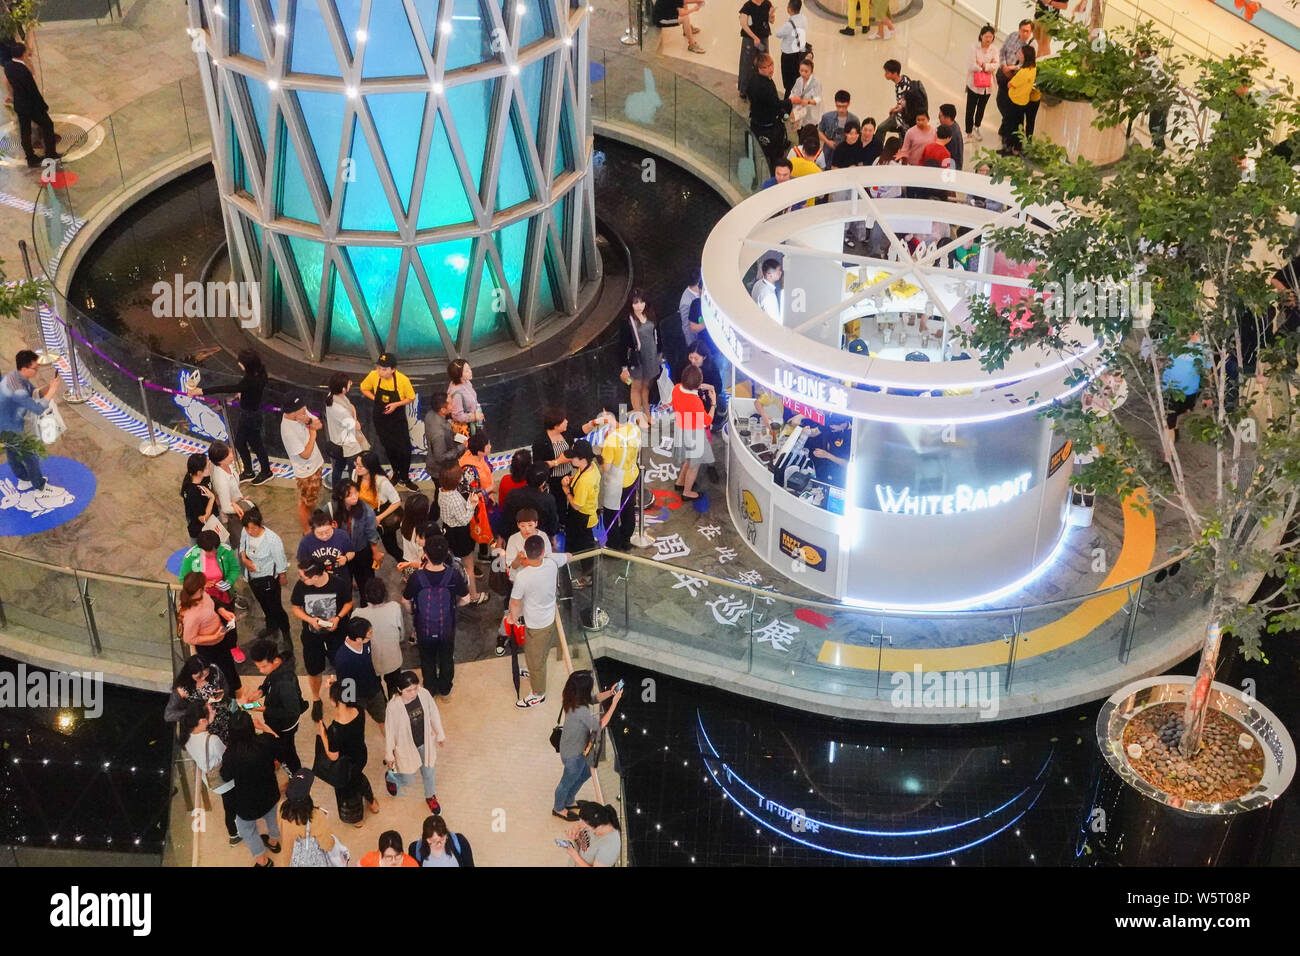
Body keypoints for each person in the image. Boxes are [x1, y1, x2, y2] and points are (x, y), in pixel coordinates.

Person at [188, 349, 272, 483]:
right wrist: (244, 393)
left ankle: (265, 472)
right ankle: (250, 471)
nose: (239, 363)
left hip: (250, 416)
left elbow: (226, 388)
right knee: (243, 442)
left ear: (247, 365)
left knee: (255, 444)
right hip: (249, 414)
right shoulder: (259, 374)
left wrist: (201, 391)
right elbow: (249, 390)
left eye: (241, 362)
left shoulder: (250, 381)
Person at [403, 535, 471, 695]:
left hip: (423, 627)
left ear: (425, 554)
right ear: (446, 553)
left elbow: (405, 601)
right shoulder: (453, 574)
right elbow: (466, 599)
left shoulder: (416, 577)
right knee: (447, 657)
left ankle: (430, 688)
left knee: (427, 659)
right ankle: (445, 688)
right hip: (446, 627)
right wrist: (454, 607)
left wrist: (413, 612)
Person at [509, 534, 571, 708]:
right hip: (548, 618)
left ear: (525, 553)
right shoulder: (551, 563)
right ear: (543, 551)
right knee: (534, 651)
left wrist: (513, 619)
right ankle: (533, 672)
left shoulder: (523, 576)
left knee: (536, 659)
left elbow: (515, 602)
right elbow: (569, 556)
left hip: (536, 624)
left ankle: (538, 694)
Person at [552, 670, 623, 820]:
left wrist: (610, 693)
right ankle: (558, 808)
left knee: (584, 774)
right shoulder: (581, 710)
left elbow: (594, 699)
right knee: (566, 782)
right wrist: (614, 703)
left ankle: (570, 801)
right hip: (573, 754)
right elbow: (600, 724)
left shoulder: (572, 698)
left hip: (574, 748)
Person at [289, 559, 354, 721]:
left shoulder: (339, 584)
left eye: (305, 577)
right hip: (312, 636)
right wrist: (310, 620)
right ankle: (316, 698)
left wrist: (338, 618)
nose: (301, 579)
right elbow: (295, 607)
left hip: (337, 634)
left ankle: (348, 697)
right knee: (313, 669)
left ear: (316, 577)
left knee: (344, 666)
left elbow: (349, 602)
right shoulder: (301, 586)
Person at [219, 710, 282, 866]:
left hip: (247, 801)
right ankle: (274, 842)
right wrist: (264, 726)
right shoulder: (265, 742)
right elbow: (277, 739)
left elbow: (225, 776)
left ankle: (263, 861)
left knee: (247, 829)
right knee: (272, 817)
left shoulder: (230, 755)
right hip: (270, 792)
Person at [318, 678, 380, 825]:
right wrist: (334, 687)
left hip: (346, 767)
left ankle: (357, 819)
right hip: (360, 756)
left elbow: (333, 756)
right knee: (359, 778)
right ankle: (372, 803)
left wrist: (323, 736)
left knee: (348, 792)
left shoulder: (335, 729)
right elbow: (345, 696)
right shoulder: (359, 710)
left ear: (333, 699)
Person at [383, 670, 447, 813]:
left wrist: (440, 733)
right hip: (405, 747)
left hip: (425, 742)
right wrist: (389, 754)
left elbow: (433, 713)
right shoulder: (393, 707)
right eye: (408, 690)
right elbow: (390, 731)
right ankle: (391, 777)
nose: (413, 693)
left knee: (429, 772)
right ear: (400, 690)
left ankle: (430, 796)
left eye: (415, 688)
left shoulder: (423, 694)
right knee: (408, 780)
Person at [179, 699, 240, 846]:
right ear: (201, 720)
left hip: (210, 780)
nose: (214, 710)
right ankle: (234, 833)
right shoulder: (211, 739)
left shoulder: (187, 736)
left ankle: (234, 831)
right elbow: (226, 755)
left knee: (228, 803)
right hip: (224, 780)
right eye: (210, 710)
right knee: (231, 806)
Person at [0, 350, 60, 492]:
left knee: (12, 450)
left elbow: (34, 393)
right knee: (29, 455)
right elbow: (38, 408)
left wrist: (49, 387)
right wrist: (53, 390)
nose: (37, 371)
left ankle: (23, 478)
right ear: (25, 368)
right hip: (9, 426)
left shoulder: (16, 376)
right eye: (35, 368)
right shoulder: (17, 389)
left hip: (7, 422)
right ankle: (40, 486)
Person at [177, 569, 240, 699]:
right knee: (217, 672)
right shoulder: (192, 615)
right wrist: (214, 637)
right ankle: (226, 695)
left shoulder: (202, 595)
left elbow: (212, 601)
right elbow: (189, 638)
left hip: (220, 641)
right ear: (199, 589)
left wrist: (222, 610)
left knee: (228, 666)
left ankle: (233, 689)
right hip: (210, 648)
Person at [245, 637, 306, 772]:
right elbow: (269, 680)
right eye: (258, 667)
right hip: (276, 718)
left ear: (276, 660)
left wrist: (265, 709)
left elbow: (292, 711)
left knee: (288, 751)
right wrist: (261, 691)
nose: (261, 670)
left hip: (285, 725)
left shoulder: (286, 683)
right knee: (278, 746)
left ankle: (295, 775)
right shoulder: (276, 669)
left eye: (264, 666)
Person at [359, 353, 418, 491]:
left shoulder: (402, 380)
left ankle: (405, 477)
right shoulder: (374, 375)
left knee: (404, 450)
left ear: (393, 370)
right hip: (381, 419)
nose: (380, 371)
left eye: (384, 369)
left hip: (397, 419)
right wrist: (375, 399)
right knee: (389, 448)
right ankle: (396, 474)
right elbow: (364, 388)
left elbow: (411, 397)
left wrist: (396, 404)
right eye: (379, 368)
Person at [436, 463, 487, 604]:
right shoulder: (454, 500)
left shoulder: (441, 491)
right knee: (468, 566)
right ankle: (474, 596)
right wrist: (472, 504)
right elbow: (464, 519)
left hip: (448, 530)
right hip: (460, 534)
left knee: (457, 561)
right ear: (457, 480)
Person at [239, 506, 290, 645]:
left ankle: (285, 631)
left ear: (260, 524)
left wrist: (282, 576)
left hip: (268, 579)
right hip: (253, 578)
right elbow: (242, 545)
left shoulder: (272, 539)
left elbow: (280, 560)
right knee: (264, 604)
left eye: (253, 528)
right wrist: (244, 559)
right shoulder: (245, 531)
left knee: (276, 607)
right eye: (248, 528)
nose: (250, 531)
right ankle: (271, 626)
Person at [2, 43, 59, 168]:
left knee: (25, 131)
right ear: (23, 54)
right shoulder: (23, 70)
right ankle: (51, 153)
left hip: (20, 104)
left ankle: (30, 158)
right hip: (31, 106)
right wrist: (43, 106)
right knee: (48, 125)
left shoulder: (8, 66)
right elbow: (33, 91)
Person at [329, 479, 382, 606]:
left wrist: (376, 554)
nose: (355, 497)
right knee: (343, 584)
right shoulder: (331, 508)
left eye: (356, 492)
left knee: (365, 583)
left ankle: (365, 607)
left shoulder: (366, 510)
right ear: (341, 497)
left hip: (361, 552)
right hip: (341, 554)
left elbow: (371, 534)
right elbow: (320, 525)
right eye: (350, 495)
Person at [352, 578, 405, 699]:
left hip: (370, 663)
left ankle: (382, 705)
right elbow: (401, 635)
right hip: (393, 660)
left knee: (375, 688)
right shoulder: (395, 607)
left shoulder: (357, 614)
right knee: (394, 685)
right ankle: (394, 703)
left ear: (365, 595)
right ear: (385, 594)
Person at [599, 411, 645, 550]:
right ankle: (626, 539)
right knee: (628, 509)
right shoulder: (634, 428)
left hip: (616, 481)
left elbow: (606, 467)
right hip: (632, 474)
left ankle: (614, 544)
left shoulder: (611, 439)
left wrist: (600, 455)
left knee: (611, 514)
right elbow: (638, 450)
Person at [280, 395, 325, 534]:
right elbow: (304, 454)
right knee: (305, 504)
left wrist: (309, 421)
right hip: (306, 472)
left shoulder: (302, 414)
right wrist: (312, 435)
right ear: (292, 412)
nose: (305, 410)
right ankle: (307, 531)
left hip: (315, 465)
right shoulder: (287, 430)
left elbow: (319, 424)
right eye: (301, 409)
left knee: (311, 500)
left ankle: (311, 518)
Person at [278, 770, 343, 866]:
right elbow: (327, 845)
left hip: (289, 859)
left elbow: (282, 829)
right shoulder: (316, 816)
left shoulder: (281, 808)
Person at [333, 615, 389, 724]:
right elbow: (345, 684)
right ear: (359, 639)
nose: (371, 636)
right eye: (370, 634)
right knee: (357, 724)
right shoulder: (343, 658)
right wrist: (349, 705)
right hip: (358, 697)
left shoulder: (365, 642)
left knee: (383, 720)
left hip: (374, 690)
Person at [164, 657, 233, 745]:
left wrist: (223, 693)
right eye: (199, 677)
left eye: (206, 674)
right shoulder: (182, 690)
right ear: (190, 674)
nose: (203, 678)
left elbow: (225, 685)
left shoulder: (214, 670)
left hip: (223, 714)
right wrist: (195, 711)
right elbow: (169, 715)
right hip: (205, 724)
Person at [179, 527, 243, 620]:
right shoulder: (190, 557)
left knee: (227, 620)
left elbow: (234, 569)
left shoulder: (226, 551)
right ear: (201, 549)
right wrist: (201, 585)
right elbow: (183, 579)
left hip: (224, 596)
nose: (213, 553)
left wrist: (228, 582)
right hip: (202, 599)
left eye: (215, 550)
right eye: (209, 551)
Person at [671, 365, 715, 501]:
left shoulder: (677, 388)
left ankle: (680, 482)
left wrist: (702, 386)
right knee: (694, 465)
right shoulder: (695, 401)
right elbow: (707, 421)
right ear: (697, 383)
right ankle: (687, 492)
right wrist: (713, 403)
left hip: (681, 429)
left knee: (689, 459)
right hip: (694, 434)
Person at [353, 449, 403, 560]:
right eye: (356, 464)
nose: (357, 468)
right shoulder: (356, 475)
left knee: (391, 548)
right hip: (364, 514)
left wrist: (379, 517)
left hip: (381, 515)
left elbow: (396, 501)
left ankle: (406, 566)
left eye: (360, 466)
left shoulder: (382, 482)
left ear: (370, 466)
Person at [619, 290, 663, 415]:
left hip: (651, 356)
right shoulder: (627, 322)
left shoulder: (650, 315)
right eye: (635, 303)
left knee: (646, 386)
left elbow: (657, 334)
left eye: (641, 302)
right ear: (631, 304)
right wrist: (624, 367)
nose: (639, 306)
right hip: (637, 359)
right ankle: (639, 415)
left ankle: (647, 413)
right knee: (636, 387)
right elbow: (622, 345)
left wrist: (659, 354)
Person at [747, 53, 791, 176]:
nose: (771, 69)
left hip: (756, 122)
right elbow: (776, 104)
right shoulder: (766, 86)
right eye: (767, 67)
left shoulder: (753, 79)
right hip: (769, 127)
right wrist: (791, 101)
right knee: (775, 155)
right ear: (760, 69)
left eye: (771, 65)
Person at [561, 439, 600, 576]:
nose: (570, 459)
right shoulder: (591, 467)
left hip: (581, 517)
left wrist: (566, 490)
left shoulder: (585, 481)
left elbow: (576, 505)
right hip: (586, 514)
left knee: (585, 547)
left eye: (573, 457)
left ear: (582, 459)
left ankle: (588, 575)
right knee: (575, 539)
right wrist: (572, 480)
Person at [997, 20, 1036, 148]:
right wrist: (1004, 66)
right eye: (1023, 30)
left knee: (1010, 111)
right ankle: (1006, 129)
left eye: (1028, 31)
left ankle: (1007, 133)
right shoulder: (1012, 36)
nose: (1025, 33)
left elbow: (1026, 64)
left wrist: (1011, 69)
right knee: (1001, 101)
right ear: (1019, 29)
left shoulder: (1030, 45)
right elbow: (1002, 51)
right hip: (1004, 72)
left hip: (1014, 77)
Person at [324, 371, 366, 488]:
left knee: (338, 466)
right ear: (343, 389)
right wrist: (354, 413)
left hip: (338, 441)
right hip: (348, 446)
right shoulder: (339, 410)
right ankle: (353, 489)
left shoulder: (331, 396)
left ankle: (336, 487)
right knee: (354, 470)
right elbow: (356, 425)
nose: (350, 384)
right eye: (348, 383)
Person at [208, 440, 254, 546]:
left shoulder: (228, 464)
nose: (232, 452)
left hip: (238, 502)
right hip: (233, 515)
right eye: (229, 453)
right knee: (240, 542)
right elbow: (226, 507)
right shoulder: (221, 480)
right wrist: (240, 506)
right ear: (221, 460)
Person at [501, 463, 560, 542]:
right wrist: (553, 540)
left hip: (515, 539)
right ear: (543, 483)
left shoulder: (512, 494)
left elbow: (505, 520)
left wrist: (500, 540)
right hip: (539, 541)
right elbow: (552, 526)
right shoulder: (548, 499)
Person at [297, 508, 355, 585]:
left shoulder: (342, 536)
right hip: (318, 579)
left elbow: (351, 552)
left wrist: (346, 558)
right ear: (312, 530)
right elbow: (301, 564)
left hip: (340, 576)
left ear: (333, 525)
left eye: (328, 531)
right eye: (320, 533)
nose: (324, 536)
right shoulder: (306, 542)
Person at [560, 801, 623, 867]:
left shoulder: (610, 847)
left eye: (585, 826)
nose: (581, 825)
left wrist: (575, 856)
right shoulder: (599, 817)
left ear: (599, 826)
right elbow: (580, 824)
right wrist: (575, 831)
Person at [966, 25, 999, 141]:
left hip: (987, 86)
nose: (989, 39)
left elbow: (996, 64)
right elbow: (971, 65)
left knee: (981, 108)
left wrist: (984, 65)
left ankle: (977, 127)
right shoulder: (974, 47)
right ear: (981, 36)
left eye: (991, 37)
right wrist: (982, 68)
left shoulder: (994, 49)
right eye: (986, 37)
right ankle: (968, 131)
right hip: (974, 84)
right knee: (970, 108)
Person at [1003, 46, 1038, 154]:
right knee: (1019, 126)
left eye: (1020, 54)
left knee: (1012, 126)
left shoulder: (1023, 73)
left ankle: (1011, 148)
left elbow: (1010, 84)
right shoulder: (1033, 69)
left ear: (1026, 56)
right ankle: (1017, 149)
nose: (1018, 54)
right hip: (1024, 101)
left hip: (1015, 101)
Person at [881, 59, 927, 139]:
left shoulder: (902, 87)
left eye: (887, 72)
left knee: (881, 128)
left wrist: (895, 110)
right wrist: (895, 107)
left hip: (903, 120)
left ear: (895, 73)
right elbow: (902, 100)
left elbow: (905, 105)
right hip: (903, 116)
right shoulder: (904, 78)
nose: (885, 74)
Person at [738, 0, 774, 101]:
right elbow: (743, 24)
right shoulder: (747, 6)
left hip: (763, 38)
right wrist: (754, 38)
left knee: (764, 62)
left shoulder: (767, 4)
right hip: (750, 40)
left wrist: (771, 15)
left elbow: (771, 21)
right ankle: (744, 90)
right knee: (748, 64)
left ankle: (763, 88)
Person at [409, 813, 475, 867]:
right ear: (427, 839)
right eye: (435, 841)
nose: (440, 844)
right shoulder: (415, 850)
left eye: (442, 839)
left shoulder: (460, 841)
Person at [773, 0, 810, 96]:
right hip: (800, 54)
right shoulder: (804, 18)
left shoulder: (789, 25)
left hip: (788, 56)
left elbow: (778, 34)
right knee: (797, 77)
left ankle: (788, 101)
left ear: (789, 9)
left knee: (788, 81)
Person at [422, 390, 461, 478]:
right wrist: (462, 447)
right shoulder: (439, 434)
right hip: (441, 472)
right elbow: (441, 457)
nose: (453, 405)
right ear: (443, 410)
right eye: (450, 404)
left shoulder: (430, 414)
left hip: (434, 465)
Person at [180, 452, 216, 543]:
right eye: (207, 466)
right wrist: (212, 499)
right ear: (199, 472)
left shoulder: (200, 477)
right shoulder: (193, 493)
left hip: (212, 520)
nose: (210, 466)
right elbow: (203, 519)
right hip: (201, 532)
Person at [817, 90, 859, 166]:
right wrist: (827, 141)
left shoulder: (854, 119)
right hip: (829, 150)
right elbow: (819, 131)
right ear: (835, 103)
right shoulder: (827, 117)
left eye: (844, 107)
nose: (841, 109)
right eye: (839, 106)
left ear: (849, 104)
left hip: (846, 151)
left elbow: (858, 136)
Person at [446, 358, 484, 436]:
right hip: (468, 430)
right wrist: (474, 417)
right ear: (459, 375)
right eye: (466, 371)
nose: (470, 371)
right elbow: (457, 416)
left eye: (469, 368)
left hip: (477, 421)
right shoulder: (457, 394)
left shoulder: (466, 382)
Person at [786, 57, 823, 136]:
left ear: (811, 71)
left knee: (809, 134)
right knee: (800, 132)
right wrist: (793, 98)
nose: (803, 73)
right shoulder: (798, 80)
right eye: (801, 71)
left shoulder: (816, 83)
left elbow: (818, 99)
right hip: (799, 112)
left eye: (806, 71)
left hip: (810, 114)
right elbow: (793, 92)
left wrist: (808, 101)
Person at [397, 492, 432, 571]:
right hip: (420, 565)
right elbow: (424, 559)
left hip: (408, 559)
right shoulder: (423, 534)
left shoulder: (404, 523)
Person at [458, 431, 495, 504]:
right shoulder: (468, 470)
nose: (490, 446)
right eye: (487, 446)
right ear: (479, 452)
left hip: (488, 496)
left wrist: (491, 493)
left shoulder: (482, 456)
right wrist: (490, 489)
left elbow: (489, 472)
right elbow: (472, 494)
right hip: (478, 504)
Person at [679, 272, 704, 354]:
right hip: (697, 341)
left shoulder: (701, 291)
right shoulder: (686, 303)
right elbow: (687, 327)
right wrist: (693, 346)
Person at [751, 257, 782, 322]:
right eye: (778, 271)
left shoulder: (758, 283)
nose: (780, 273)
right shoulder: (769, 296)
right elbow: (774, 321)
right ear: (769, 275)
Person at [936, 104, 964, 170]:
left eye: (940, 116)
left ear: (948, 118)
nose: (939, 118)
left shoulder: (950, 136)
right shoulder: (954, 125)